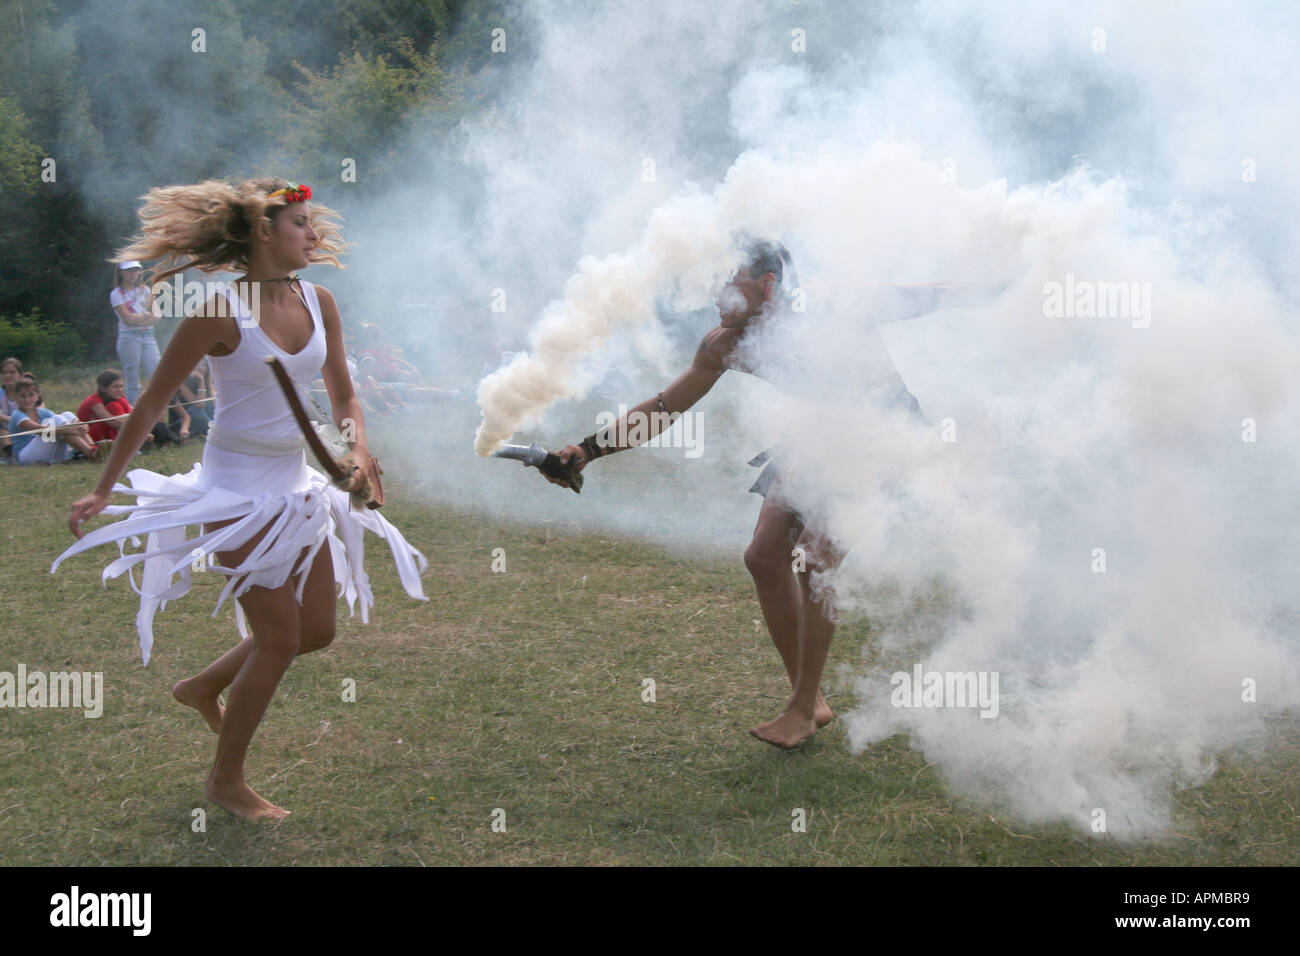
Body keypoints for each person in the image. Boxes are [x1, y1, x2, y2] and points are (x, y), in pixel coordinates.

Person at [55, 177, 429, 821]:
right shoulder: (217, 310)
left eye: (313, 223)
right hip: (233, 492)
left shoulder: (321, 300)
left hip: (295, 489)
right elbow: (150, 404)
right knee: (279, 638)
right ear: (263, 231)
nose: (314, 233)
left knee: (316, 630)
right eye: (301, 223)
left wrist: (355, 452)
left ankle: (202, 685)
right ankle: (225, 781)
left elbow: (344, 394)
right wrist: (101, 485)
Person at [544, 239, 935, 748]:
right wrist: (589, 451)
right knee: (765, 555)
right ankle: (808, 699)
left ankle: (800, 706)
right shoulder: (724, 344)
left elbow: (931, 295)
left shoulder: (833, 306)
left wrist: (1021, 281)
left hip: (886, 435)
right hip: (822, 434)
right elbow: (665, 408)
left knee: (817, 556)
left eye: (725, 282)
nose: (713, 293)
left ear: (767, 285)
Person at [8, 375, 103, 464]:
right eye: (22, 396)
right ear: (16, 397)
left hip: (51, 455)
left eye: (31, 395)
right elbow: (40, 430)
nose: (27, 400)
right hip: (25, 457)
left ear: (37, 396)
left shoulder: (43, 412)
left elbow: (64, 422)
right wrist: (73, 428)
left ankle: (93, 446)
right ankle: (90, 452)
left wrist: (84, 426)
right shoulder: (17, 415)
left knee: (67, 414)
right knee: (57, 420)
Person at [111, 260, 161, 404]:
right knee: (132, 377)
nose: (133, 274)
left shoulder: (145, 290)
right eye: (129, 270)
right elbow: (128, 320)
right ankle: (132, 409)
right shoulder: (116, 293)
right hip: (129, 337)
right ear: (121, 272)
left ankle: (155, 407)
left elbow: (157, 314)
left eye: (135, 270)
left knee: (155, 372)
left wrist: (139, 318)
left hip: (148, 335)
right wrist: (146, 315)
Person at [0, 357, 24, 458]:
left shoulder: (27, 393)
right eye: (4, 373)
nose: (7, 375)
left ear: (20, 375)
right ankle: (9, 451)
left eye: (12, 372)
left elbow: (40, 408)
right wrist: (16, 420)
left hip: (25, 429)